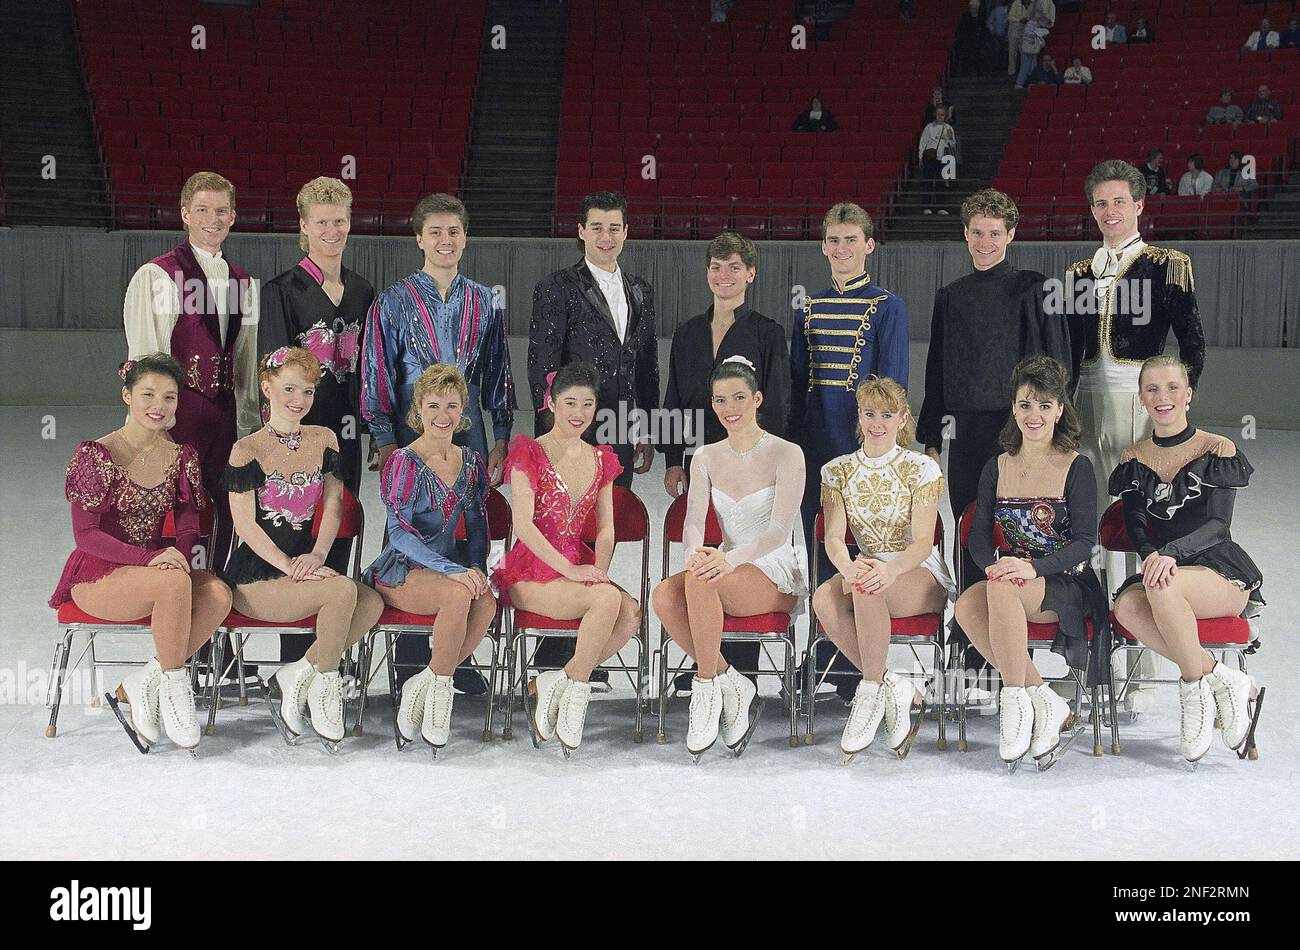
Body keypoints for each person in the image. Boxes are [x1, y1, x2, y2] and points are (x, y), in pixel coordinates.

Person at [361, 192, 515, 693]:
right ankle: (409, 661)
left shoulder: (486, 300)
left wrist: (502, 434)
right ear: (419, 239)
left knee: (463, 529)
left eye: (454, 231)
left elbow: (497, 370)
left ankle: (453, 658)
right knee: (411, 531)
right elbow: (377, 370)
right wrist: (386, 438)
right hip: (411, 426)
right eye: (435, 232)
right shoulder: (393, 300)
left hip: (467, 427)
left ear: (465, 238)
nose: (445, 240)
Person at [1068, 159, 1206, 713]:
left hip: (1141, 403)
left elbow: (1192, 344)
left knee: (1136, 525)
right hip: (1085, 403)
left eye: (1119, 202)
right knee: (1090, 527)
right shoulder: (1079, 272)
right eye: (1101, 203)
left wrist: (1172, 411)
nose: (1110, 212)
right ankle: (1094, 658)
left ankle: (1140, 667)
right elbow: (1071, 349)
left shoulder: (1167, 266)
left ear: (1140, 205)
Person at [917, 189, 1071, 670]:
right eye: (977, 232)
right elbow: (937, 370)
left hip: (1020, 430)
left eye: (995, 233)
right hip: (964, 432)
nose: (985, 241)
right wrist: (931, 438)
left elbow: (1057, 366)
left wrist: (1052, 432)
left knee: (1019, 530)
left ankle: (1015, 638)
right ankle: (971, 641)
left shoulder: (1035, 289)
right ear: (966, 235)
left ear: (1011, 235)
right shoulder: (950, 296)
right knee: (971, 528)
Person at [51, 354, 230, 754]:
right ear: (127, 395)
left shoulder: (180, 456)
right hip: (98, 575)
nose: (159, 406)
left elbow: (188, 525)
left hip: (160, 575)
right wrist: (151, 560)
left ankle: (143, 682)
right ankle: (176, 685)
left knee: (218, 594)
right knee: (173, 584)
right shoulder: (97, 454)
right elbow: (86, 536)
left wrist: (179, 557)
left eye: (169, 397)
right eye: (148, 394)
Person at [222, 347, 384, 750]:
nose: (299, 400)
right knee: (342, 591)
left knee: (371, 603)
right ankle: (325, 686)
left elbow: (334, 504)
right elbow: (245, 526)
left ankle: (297, 673)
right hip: (256, 577)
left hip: (304, 567)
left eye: (308, 391)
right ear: (266, 387)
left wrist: (316, 556)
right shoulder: (246, 450)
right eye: (289, 389)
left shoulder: (324, 438)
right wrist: (287, 564)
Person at [528, 191, 659, 678]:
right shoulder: (556, 287)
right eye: (597, 227)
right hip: (571, 432)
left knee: (605, 530)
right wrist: (554, 439)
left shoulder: (641, 290)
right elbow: (542, 364)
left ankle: (584, 642)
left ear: (626, 233)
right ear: (581, 231)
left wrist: (646, 426)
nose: (606, 237)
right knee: (563, 534)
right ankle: (553, 652)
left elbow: (647, 365)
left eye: (615, 228)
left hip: (621, 431)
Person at [953, 356, 1107, 769]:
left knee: (1001, 589)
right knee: (966, 606)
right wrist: (993, 565)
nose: (1033, 415)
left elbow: (1085, 543)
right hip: (1009, 578)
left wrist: (1032, 568)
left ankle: (1015, 705)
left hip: (1065, 580)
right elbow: (978, 535)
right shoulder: (997, 466)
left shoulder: (1077, 467)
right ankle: (1042, 696)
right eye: (1025, 405)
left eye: (1044, 405)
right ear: (1013, 408)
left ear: (1059, 410)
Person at [1109, 356, 1263, 763]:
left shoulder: (1217, 448)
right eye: (1152, 389)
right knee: (1126, 606)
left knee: (1162, 584)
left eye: (1172, 387)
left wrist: (1168, 555)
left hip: (1218, 572)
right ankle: (1223, 677)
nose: (1163, 397)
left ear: (1188, 394)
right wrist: (1152, 555)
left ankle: (1194, 694)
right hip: (1163, 571)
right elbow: (1137, 525)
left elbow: (1218, 526)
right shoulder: (1133, 457)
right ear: (1141, 397)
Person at [652, 357, 807, 758]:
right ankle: (731, 681)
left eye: (739, 397)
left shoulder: (787, 453)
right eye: (720, 400)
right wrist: (693, 553)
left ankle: (706, 690)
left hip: (772, 567)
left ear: (757, 399)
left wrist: (729, 560)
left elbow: (778, 531)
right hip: (724, 564)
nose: (729, 408)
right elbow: (693, 520)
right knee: (664, 596)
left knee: (703, 580)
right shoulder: (705, 456)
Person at [660, 232, 791, 695]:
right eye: (716, 267)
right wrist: (673, 459)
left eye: (735, 267)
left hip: (751, 464)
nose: (724, 275)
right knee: (704, 556)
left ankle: (742, 670)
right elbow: (675, 398)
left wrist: (764, 461)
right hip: (701, 461)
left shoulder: (767, 332)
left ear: (751, 274)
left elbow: (777, 403)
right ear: (707, 273)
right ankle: (711, 662)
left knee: (740, 554)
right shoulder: (688, 333)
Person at [493, 363, 642, 754]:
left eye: (587, 404)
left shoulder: (601, 459)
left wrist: (599, 572)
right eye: (570, 403)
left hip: (576, 566)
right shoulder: (528, 451)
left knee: (630, 613)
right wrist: (572, 571)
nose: (579, 412)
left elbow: (606, 530)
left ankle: (559, 681)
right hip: (529, 570)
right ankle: (577, 695)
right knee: (607, 600)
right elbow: (523, 525)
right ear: (552, 403)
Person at [261, 177, 374, 662]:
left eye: (340, 221)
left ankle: (328, 655)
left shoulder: (364, 290)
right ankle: (293, 655)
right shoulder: (281, 291)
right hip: (297, 438)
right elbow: (272, 371)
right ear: (304, 225)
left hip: (346, 434)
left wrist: (376, 430)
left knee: (339, 526)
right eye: (322, 222)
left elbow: (371, 370)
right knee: (295, 532)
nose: (332, 231)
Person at [123, 171, 260, 574]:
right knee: (176, 512)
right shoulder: (158, 275)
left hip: (225, 422)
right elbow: (146, 363)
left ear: (233, 216)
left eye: (220, 211)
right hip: (177, 420)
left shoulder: (244, 282)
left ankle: (212, 594)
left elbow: (245, 361)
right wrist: (153, 429)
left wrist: (249, 426)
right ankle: (175, 599)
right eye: (202, 209)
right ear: (184, 214)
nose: (212, 219)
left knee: (224, 511)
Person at [814, 377, 954, 760]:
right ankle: (892, 684)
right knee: (824, 598)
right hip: (867, 568)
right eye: (870, 414)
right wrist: (847, 567)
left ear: (902, 419)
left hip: (916, 569)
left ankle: (870, 692)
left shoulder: (921, 468)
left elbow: (923, 541)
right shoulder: (837, 471)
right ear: (859, 416)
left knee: (869, 584)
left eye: (887, 415)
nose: (877, 423)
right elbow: (834, 538)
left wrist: (889, 571)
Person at [363, 365, 498, 751]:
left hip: (450, 568)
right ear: (419, 408)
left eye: (452, 406)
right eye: (434, 405)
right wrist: (453, 571)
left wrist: (476, 567)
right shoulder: (403, 462)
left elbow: (478, 526)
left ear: (463, 410)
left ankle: (426, 682)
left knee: (486, 601)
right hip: (402, 569)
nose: (443, 415)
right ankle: (440, 697)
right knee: (458, 594)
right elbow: (399, 535)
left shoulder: (469, 461)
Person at [791, 202, 909, 545]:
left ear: (869, 245)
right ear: (823, 246)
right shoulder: (807, 307)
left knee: (866, 540)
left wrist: (883, 444)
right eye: (834, 240)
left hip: (865, 439)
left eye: (851, 240)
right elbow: (797, 382)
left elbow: (893, 386)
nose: (841, 248)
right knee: (818, 533)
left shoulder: (888, 306)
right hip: (814, 439)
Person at [918, 106, 957, 214]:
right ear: (935, 115)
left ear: (945, 116)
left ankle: (941, 207)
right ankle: (926, 207)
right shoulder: (929, 127)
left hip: (943, 157)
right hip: (930, 157)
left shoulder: (948, 128)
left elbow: (953, 145)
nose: (940, 117)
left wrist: (950, 138)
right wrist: (920, 157)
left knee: (941, 183)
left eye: (942, 115)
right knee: (928, 182)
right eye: (938, 114)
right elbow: (923, 142)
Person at [1014, 18, 1050, 87]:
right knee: (1026, 66)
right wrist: (1038, 33)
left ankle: (1031, 82)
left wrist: (1040, 33)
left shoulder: (1036, 23)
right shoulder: (1032, 23)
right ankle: (1019, 83)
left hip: (1032, 47)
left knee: (1033, 65)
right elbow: (1027, 34)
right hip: (1028, 47)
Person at [1007, 0, 1030, 77]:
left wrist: (1027, 20)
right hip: (1014, 29)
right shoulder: (1016, 3)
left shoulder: (1032, 4)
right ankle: (1011, 71)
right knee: (1012, 51)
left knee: (1024, 52)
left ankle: (1023, 71)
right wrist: (1020, 20)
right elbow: (1010, 17)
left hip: (1025, 29)